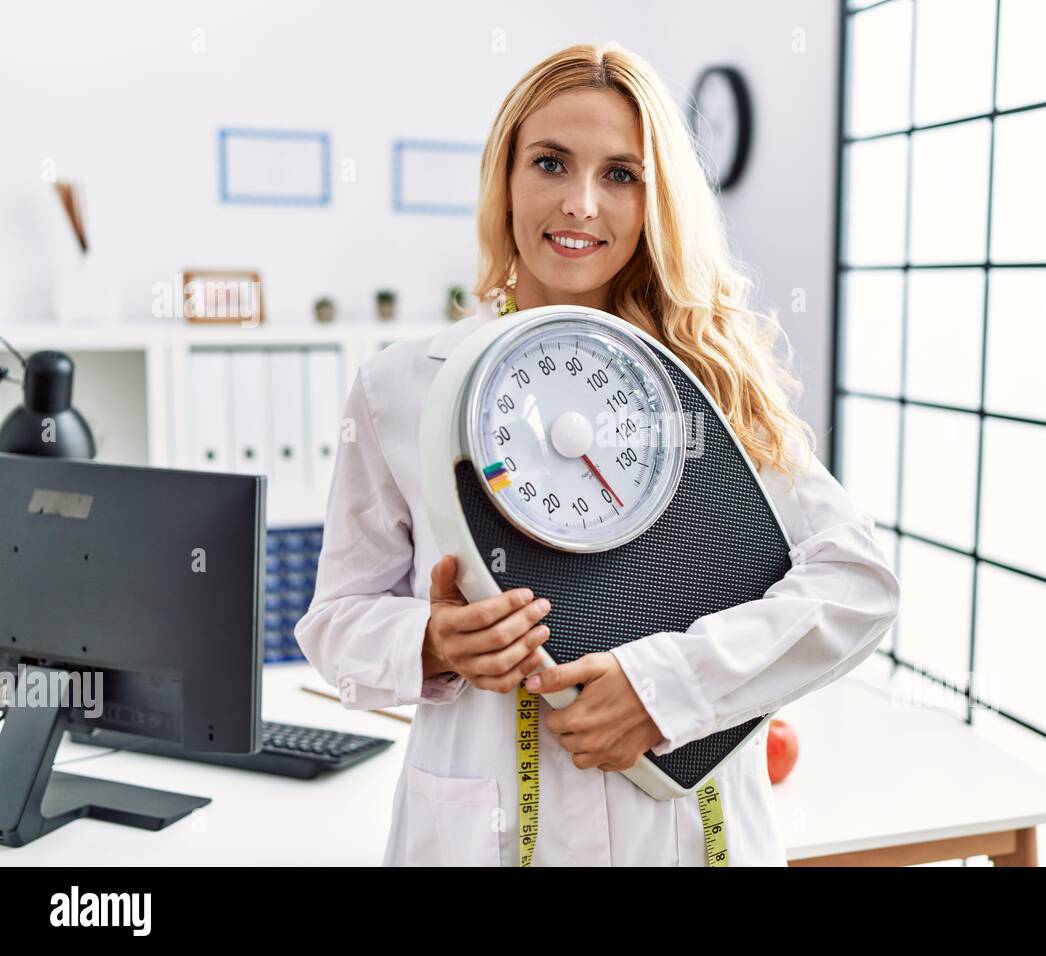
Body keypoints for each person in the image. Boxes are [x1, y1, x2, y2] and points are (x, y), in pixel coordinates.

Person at [295, 41, 901, 867]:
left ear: (658, 201)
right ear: (504, 178)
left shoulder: (711, 378)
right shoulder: (399, 386)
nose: (582, 203)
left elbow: (857, 585)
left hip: (686, 830)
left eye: (621, 174)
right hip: (486, 831)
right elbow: (335, 620)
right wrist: (434, 643)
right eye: (550, 162)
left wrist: (668, 690)